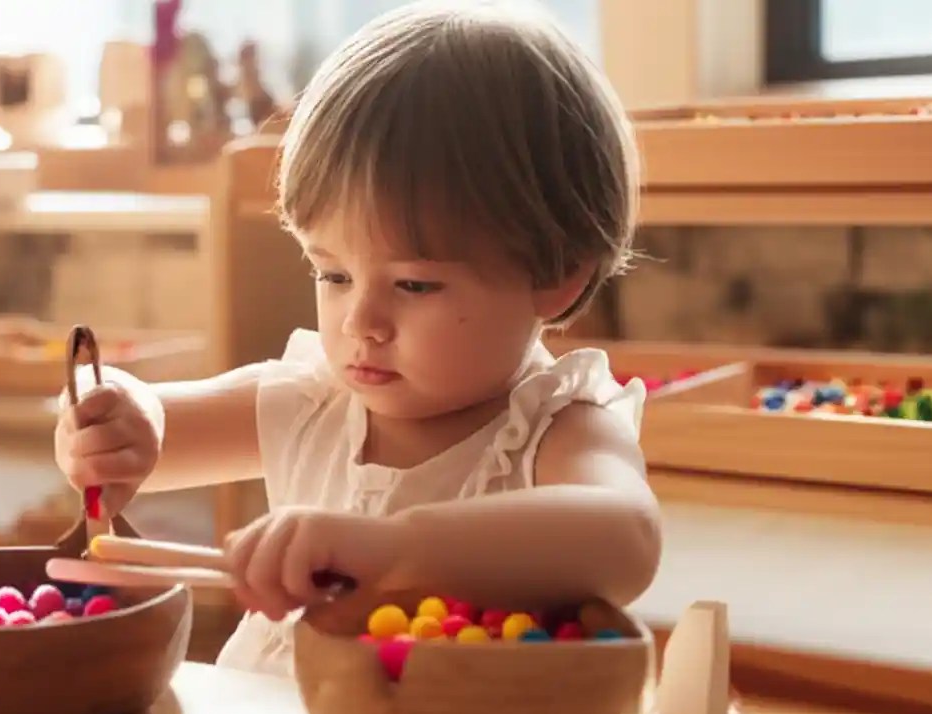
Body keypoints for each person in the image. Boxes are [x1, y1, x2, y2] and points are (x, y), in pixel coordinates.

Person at [55, 0, 660, 678]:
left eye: (414, 286)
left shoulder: (556, 427)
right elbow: (156, 436)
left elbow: (626, 539)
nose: (358, 322)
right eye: (333, 273)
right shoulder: (315, 401)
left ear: (555, 276)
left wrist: (396, 548)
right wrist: (120, 424)